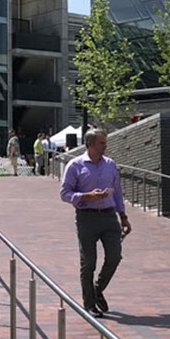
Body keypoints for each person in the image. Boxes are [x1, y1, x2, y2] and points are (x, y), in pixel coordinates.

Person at [60, 129, 132, 318]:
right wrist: (86, 196)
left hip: (109, 217)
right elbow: (64, 193)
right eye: (101, 143)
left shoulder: (110, 164)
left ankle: (97, 289)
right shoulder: (75, 165)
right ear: (90, 145)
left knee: (115, 257)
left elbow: (117, 192)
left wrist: (123, 216)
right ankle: (89, 303)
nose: (105, 146)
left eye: (105, 142)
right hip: (87, 217)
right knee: (89, 263)